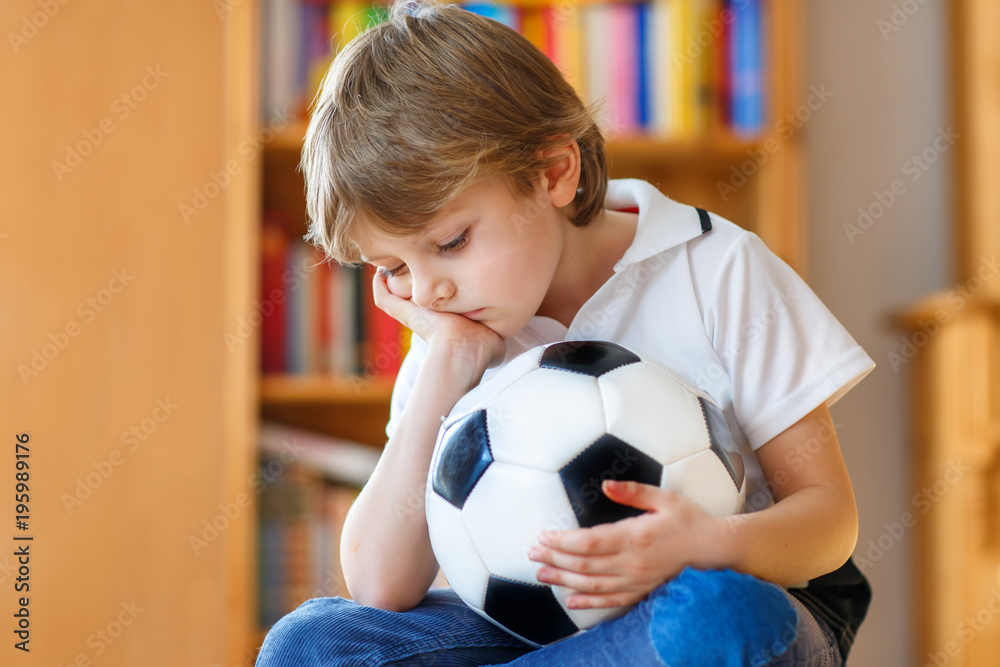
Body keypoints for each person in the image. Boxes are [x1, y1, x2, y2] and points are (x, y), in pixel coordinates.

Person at [257, 1, 875, 665]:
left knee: (719, 620)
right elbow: (380, 584)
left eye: (451, 241)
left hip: (721, 600)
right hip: (534, 631)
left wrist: (704, 543)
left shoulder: (718, 267)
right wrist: (449, 362)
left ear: (555, 173)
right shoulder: (456, 328)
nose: (428, 289)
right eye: (393, 269)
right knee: (311, 644)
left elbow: (829, 522)